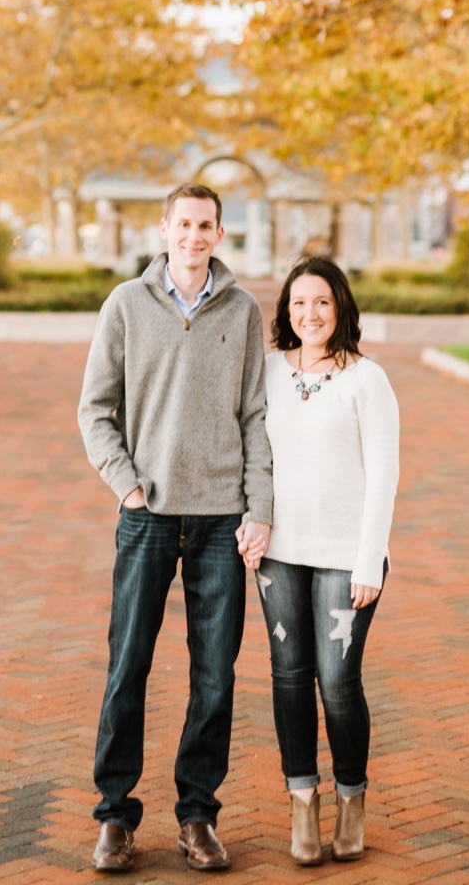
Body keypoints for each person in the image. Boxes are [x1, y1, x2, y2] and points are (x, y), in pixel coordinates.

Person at [78, 183, 273, 874]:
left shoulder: (245, 310)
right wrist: (126, 486)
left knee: (215, 675)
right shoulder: (126, 306)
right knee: (127, 664)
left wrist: (260, 507)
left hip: (222, 520)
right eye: (183, 224)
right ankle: (115, 818)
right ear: (164, 230)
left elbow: (256, 416)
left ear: (220, 234)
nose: (194, 236)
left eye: (206, 226)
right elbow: (94, 410)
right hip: (148, 518)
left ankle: (197, 815)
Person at [240, 258, 399, 867]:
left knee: (336, 682)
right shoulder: (271, 374)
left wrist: (368, 560)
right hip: (279, 554)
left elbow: (384, 476)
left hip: (345, 559)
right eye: (300, 303)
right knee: (288, 675)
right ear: (285, 309)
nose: (311, 314)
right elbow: (254, 454)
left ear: (341, 309)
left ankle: (351, 798)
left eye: (323, 303)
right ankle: (301, 801)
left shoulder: (367, 380)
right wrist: (250, 523)